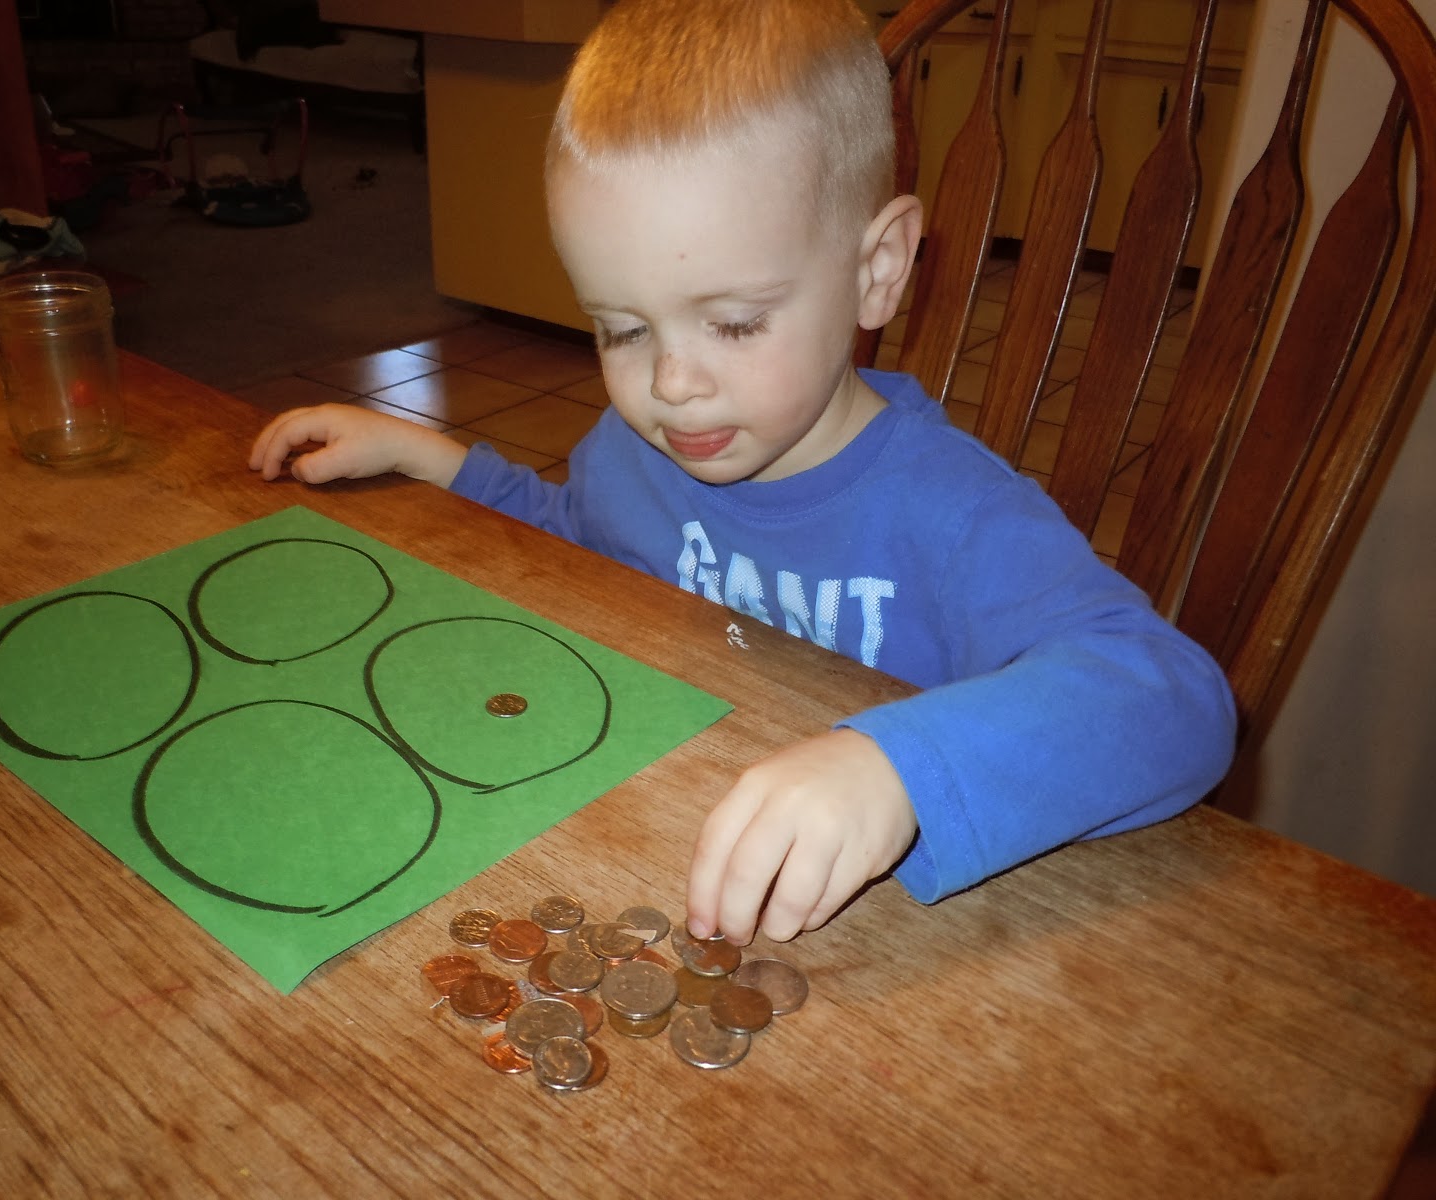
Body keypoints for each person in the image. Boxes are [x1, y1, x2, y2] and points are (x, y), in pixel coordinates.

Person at [248, 0, 1236, 947]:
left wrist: (899, 772)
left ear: (877, 268)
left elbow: (1178, 704)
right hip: (664, 850)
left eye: (733, 323)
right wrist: (427, 455)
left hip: (905, 937)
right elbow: (582, 540)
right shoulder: (634, 452)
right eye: (621, 329)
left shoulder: (957, 517)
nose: (672, 385)